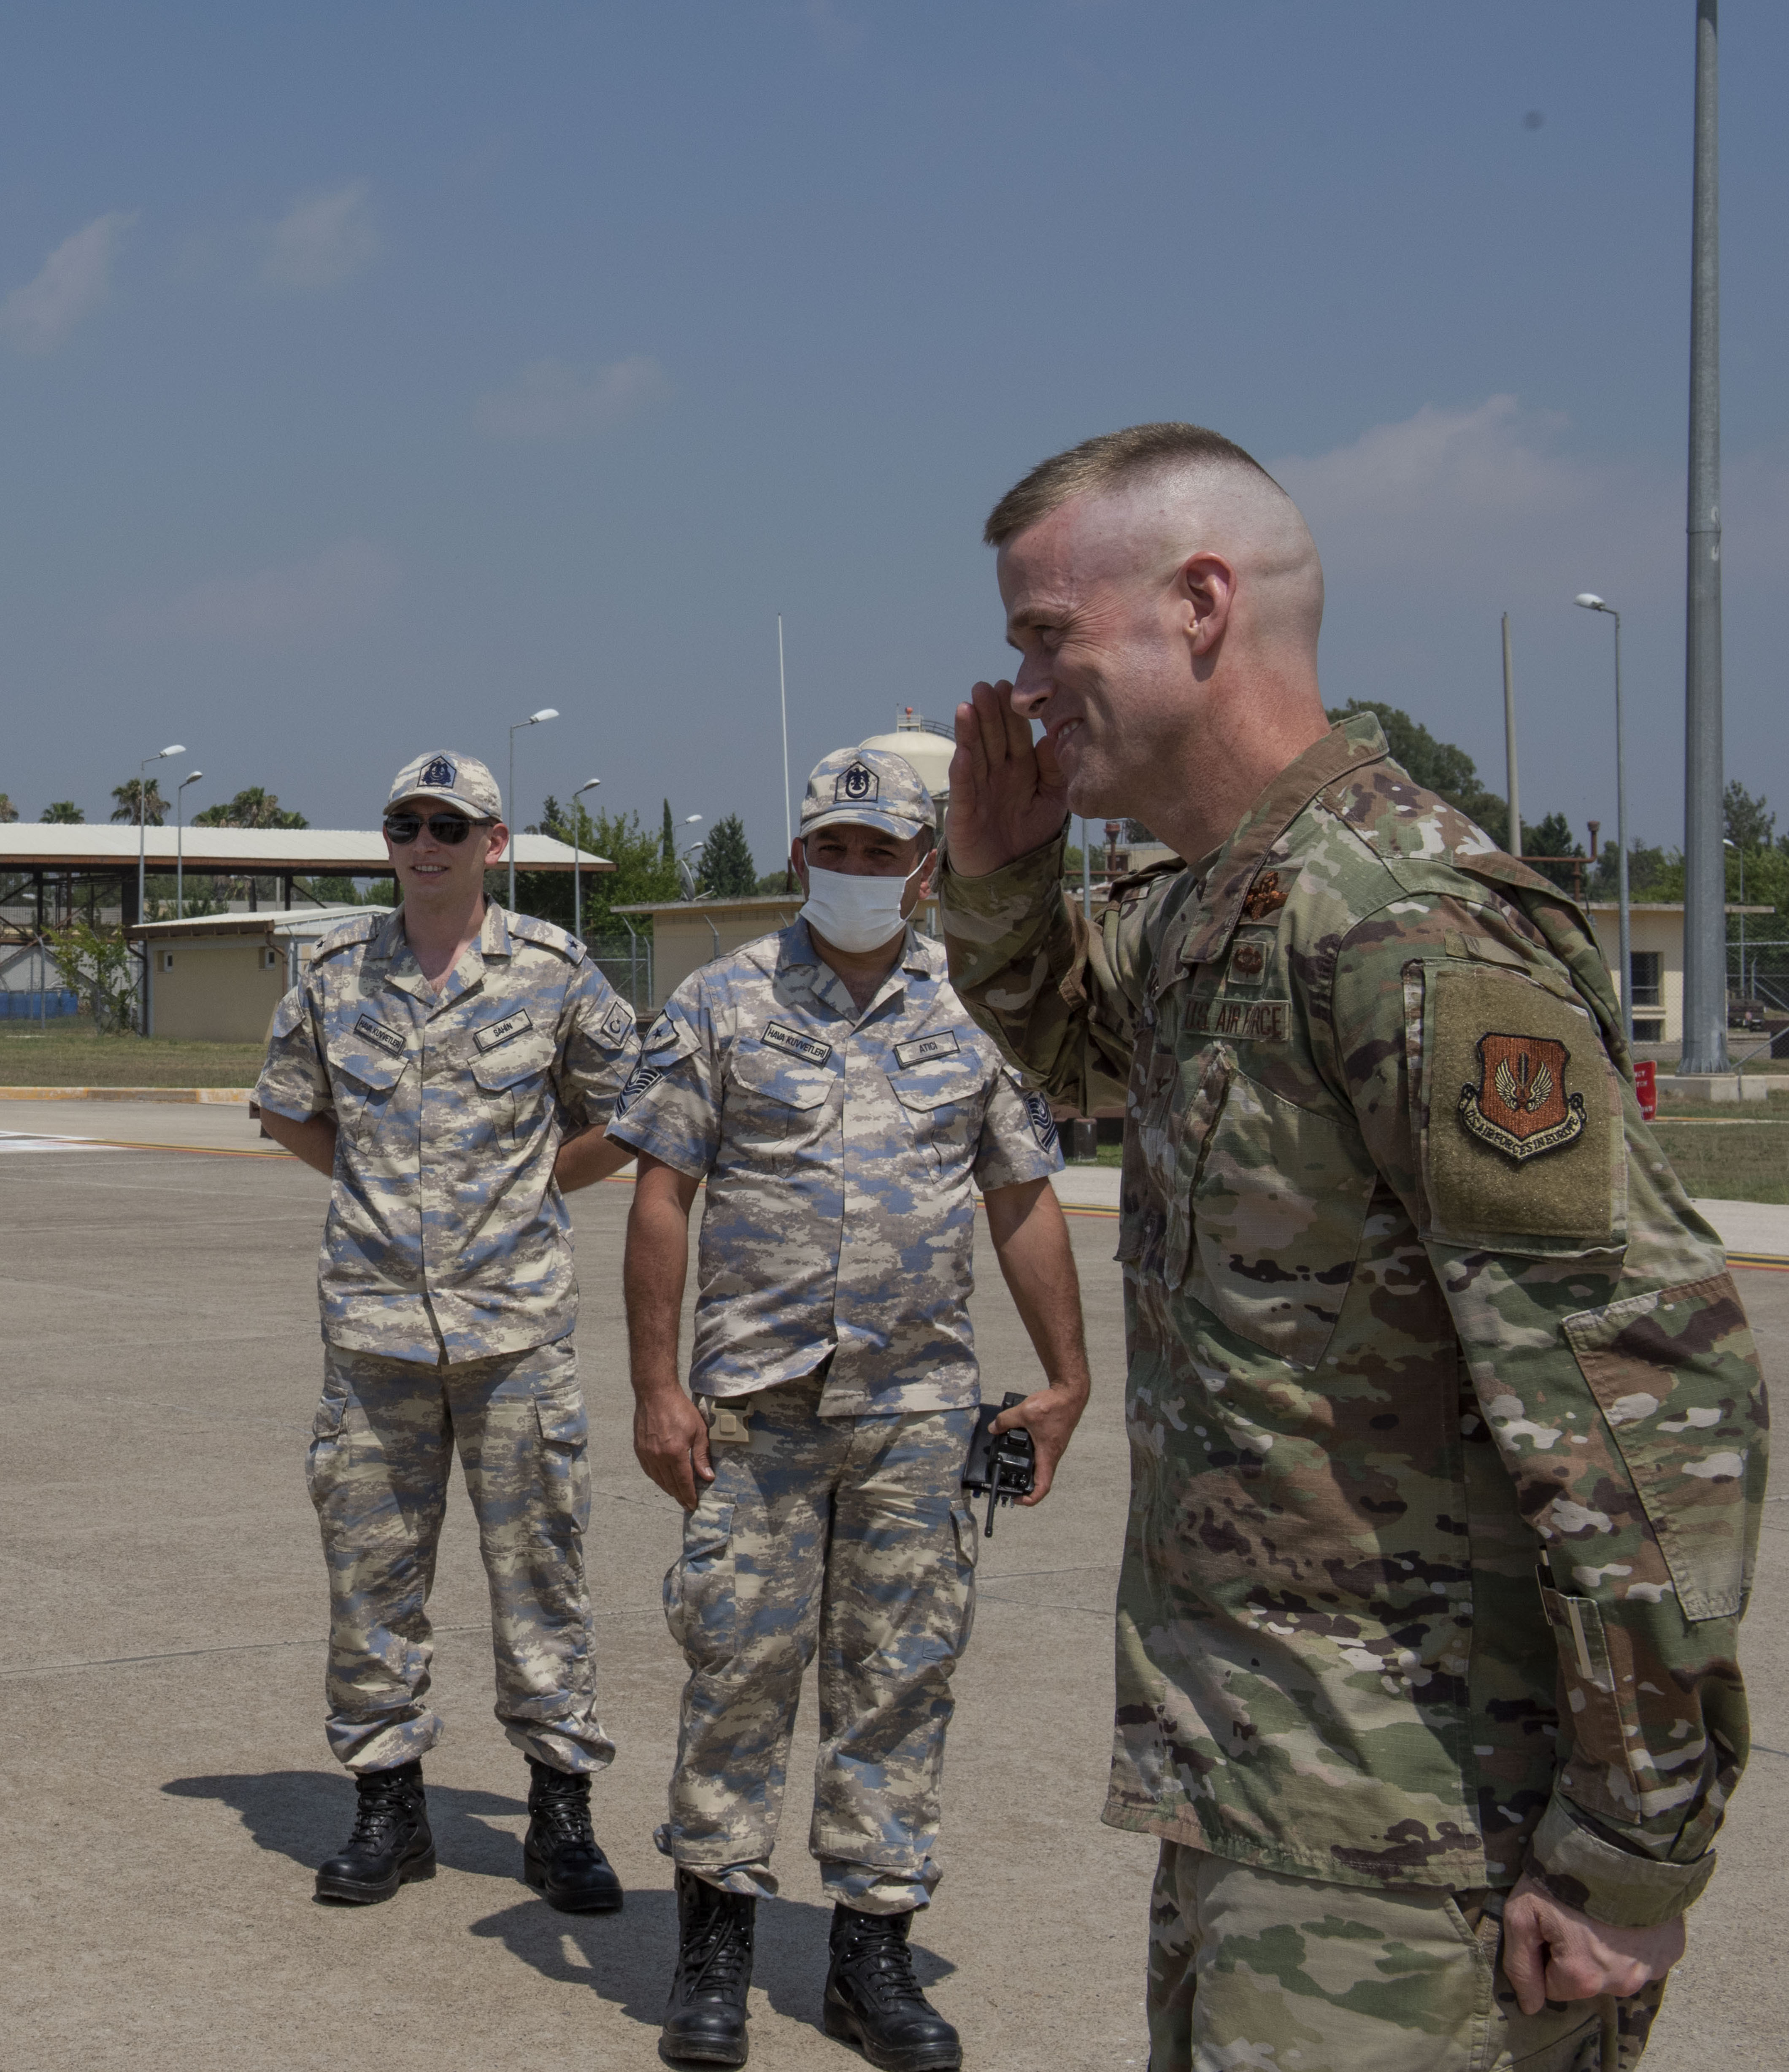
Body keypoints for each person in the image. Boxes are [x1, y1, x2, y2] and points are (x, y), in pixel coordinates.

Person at [941, 422, 1767, 2071]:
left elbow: (1649, 1401)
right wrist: (999, 881)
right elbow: (1067, 1045)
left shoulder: (1399, 923)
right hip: (1264, 1799)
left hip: (1424, 1844)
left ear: (1197, 605)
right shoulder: (1207, 910)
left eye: (1047, 635)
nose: (1021, 684)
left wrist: (1628, 1846)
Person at [610, 744, 1091, 2071]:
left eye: (884, 853)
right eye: (837, 849)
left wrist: (1068, 1377)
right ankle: (713, 1951)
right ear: (798, 860)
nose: (858, 872)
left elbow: (1022, 1199)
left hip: (919, 1412)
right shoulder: (719, 1003)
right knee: (740, 1673)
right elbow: (663, 1202)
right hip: (757, 1413)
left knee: (901, 1678)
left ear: (926, 873)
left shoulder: (976, 1013)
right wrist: (657, 1389)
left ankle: (870, 1958)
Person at [251, 750, 643, 1913]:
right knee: (371, 1580)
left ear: (494, 842)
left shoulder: (556, 971)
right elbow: (288, 1113)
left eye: (449, 826)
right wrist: (376, 1187)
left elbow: (630, 1113)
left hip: (515, 1333)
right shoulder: (332, 971)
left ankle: (559, 1813)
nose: (426, 846)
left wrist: (530, 1195)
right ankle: (389, 1807)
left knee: (542, 1575)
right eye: (405, 827)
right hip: (373, 1337)